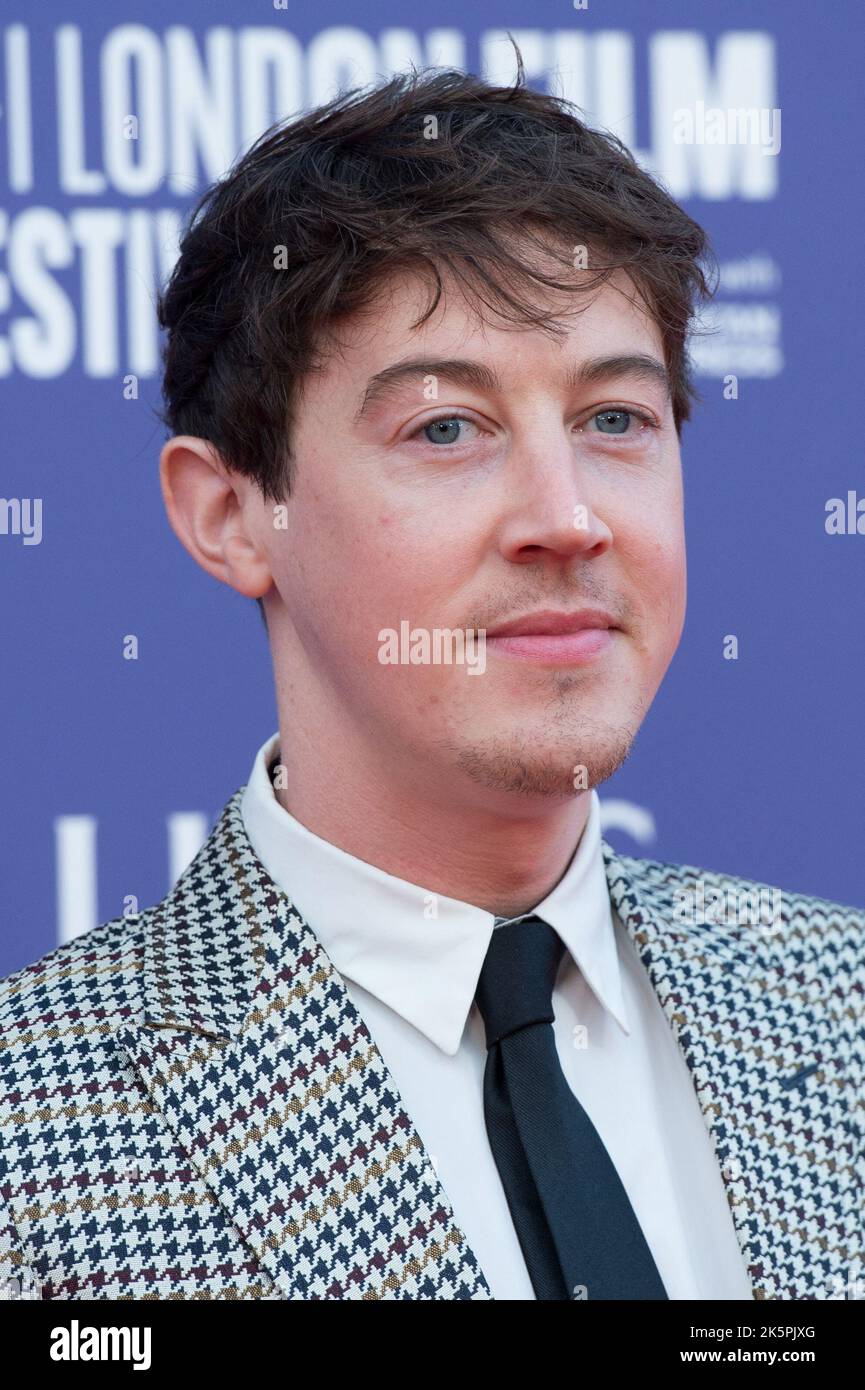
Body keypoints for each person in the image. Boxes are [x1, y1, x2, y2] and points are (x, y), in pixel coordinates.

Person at [1, 55, 862, 1302]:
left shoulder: (837, 1010)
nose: (566, 519)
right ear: (234, 514)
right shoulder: (33, 1143)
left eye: (614, 420)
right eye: (445, 428)